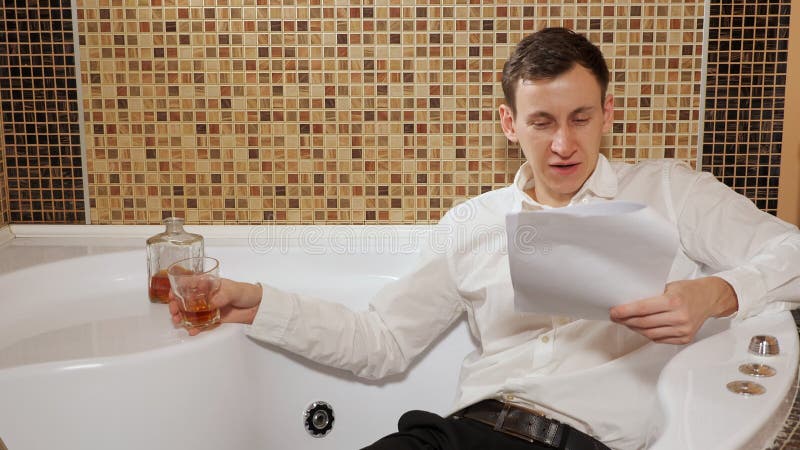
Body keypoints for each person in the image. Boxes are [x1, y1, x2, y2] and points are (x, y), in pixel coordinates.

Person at [168, 28, 800, 449]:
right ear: (509, 123)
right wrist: (254, 301)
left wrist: (715, 292)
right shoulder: (473, 223)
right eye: (542, 122)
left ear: (609, 112)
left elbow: (792, 251)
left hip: (586, 441)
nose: (562, 144)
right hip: (459, 434)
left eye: (581, 119)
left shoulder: (669, 192)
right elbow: (381, 342)